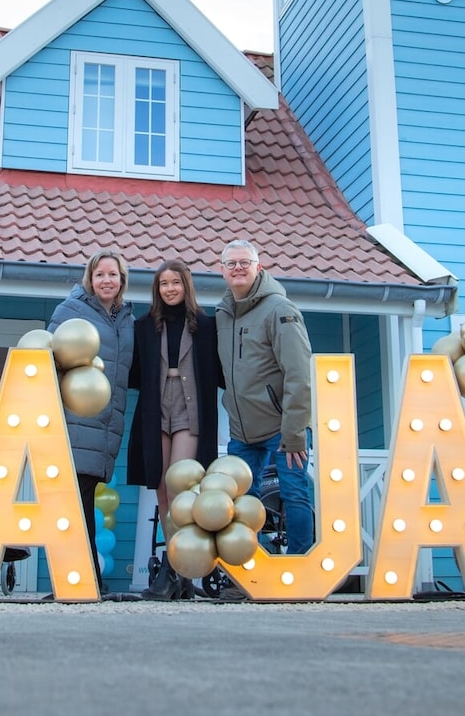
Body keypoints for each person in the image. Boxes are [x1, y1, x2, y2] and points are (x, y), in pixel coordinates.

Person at [214, 239, 315, 572]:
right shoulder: (223, 314)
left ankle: (300, 571)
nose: (239, 268)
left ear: (259, 266)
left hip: (281, 428)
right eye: (232, 264)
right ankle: (253, 574)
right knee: (241, 505)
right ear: (223, 271)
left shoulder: (280, 310)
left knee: (294, 495)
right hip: (243, 431)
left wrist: (295, 431)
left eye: (246, 262)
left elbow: (299, 374)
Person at [128, 259, 222, 600]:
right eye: (163, 283)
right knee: (162, 492)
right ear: (157, 289)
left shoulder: (207, 326)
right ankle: (179, 573)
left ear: (187, 286)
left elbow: (221, 372)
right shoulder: (143, 326)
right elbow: (134, 374)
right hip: (156, 410)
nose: (170, 289)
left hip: (190, 409)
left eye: (176, 282)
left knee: (182, 488)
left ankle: (173, 570)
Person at [48, 249, 134, 594]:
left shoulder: (126, 318)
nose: (106, 281)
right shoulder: (70, 311)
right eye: (100, 274)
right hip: (75, 424)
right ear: (90, 278)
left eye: (113, 275)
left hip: (106, 426)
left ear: (122, 280)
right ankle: (79, 581)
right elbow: (49, 364)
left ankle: (83, 581)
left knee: (83, 502)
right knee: (76, 503)